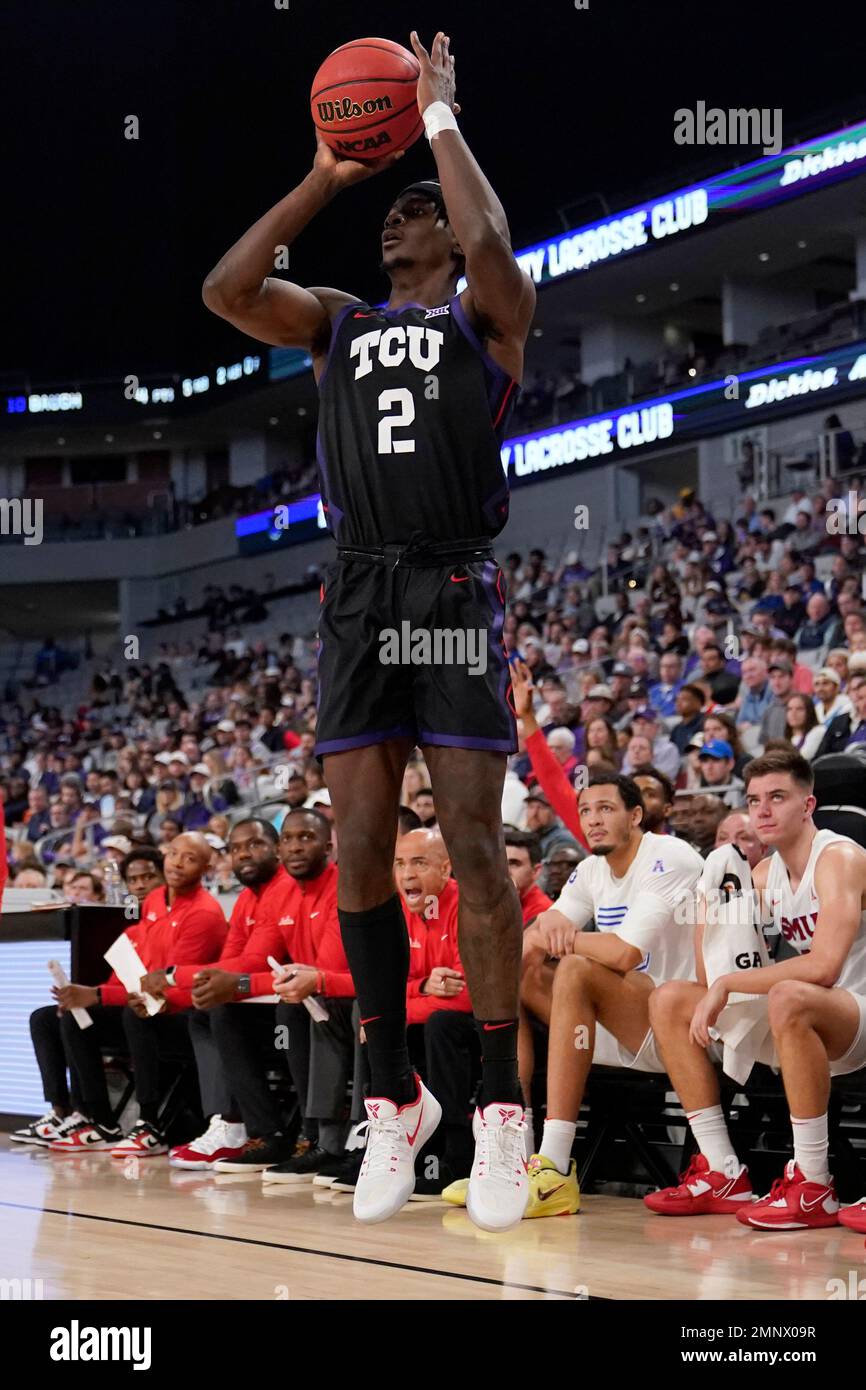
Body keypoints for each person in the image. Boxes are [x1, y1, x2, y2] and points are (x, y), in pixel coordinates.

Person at [202, 30, 536, 1232]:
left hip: (446, 590)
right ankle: (390, 1095)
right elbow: (227, 290)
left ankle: (498, 1106)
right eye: (384, 213)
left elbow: (491, 245)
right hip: (355, 595)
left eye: (414, 211)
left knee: (468, 844)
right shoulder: (338, 321)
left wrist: (439, 122)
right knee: (352, 848)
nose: (396, 223)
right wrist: (324, 176)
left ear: (445, 231)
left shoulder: (484, 320)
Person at [645, 749, 866, 1229]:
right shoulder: (763, 876)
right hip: (812, 1020)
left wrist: (728, 984)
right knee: (669, 999)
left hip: (857, 1014)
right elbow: (709, 977)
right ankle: (723, 1171)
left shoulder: (840, 857)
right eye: (754, 800)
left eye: (777, 797)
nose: (762, 810)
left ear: (808, 806)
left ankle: (813, 1184)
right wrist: (712, 896)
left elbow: (826, 967)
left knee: (790, 992)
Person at [514, 773, 703, 1216]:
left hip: (676, 1028)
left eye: (605, 809)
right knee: (516, 977)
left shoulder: (670, 855)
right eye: (585, 811)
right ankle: (516, 1154)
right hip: (615, 1026)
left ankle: (556, 1166)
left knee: (577, 968)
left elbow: (623, 953)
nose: (592, 820)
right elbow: (535, 940)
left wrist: (562, 940)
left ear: (636, 815)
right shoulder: (590, 869)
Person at [46, 833, 227, 1153]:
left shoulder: (204, 914)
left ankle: (150, 1124)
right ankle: (91, 1118)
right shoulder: (156, 900)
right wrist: (92, 994)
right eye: (173, 853)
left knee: (136, 1015)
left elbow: (175, 987)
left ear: (206, 868)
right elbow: (135, 972)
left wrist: (99, 996)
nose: (178, 862)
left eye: (190, 858)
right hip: (145, 1003)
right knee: (55, 1017)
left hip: (185, 1015)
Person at [503, 829, 553, 927]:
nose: (505, 871)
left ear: (536, 871)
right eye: (501, 862)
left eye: (514, 864)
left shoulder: (544, 913)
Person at [784, 693, 825, 760]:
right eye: (789, 709)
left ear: (809, 712)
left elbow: (803, 757)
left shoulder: (818, 731)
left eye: (799, 709)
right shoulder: (787, 739)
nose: (793, 713)